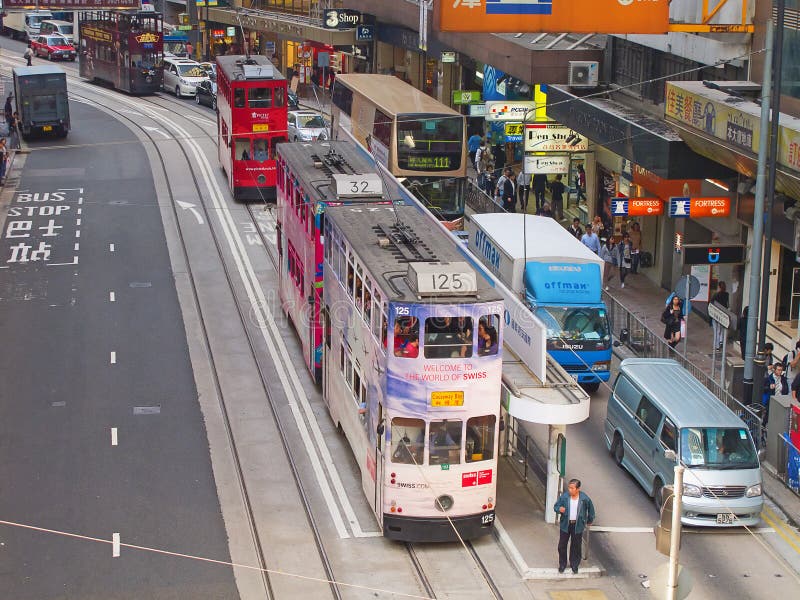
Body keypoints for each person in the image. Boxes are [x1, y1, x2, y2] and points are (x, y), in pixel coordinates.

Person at [554, 479, 595, 574]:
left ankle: (574, 564)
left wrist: (589, 520)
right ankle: (562, 564)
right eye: (569, 488)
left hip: (578, 525)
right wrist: (559, 509)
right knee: (562, 545)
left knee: (576, 545)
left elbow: (591, 511)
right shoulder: (564, 497)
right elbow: (556, 506)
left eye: (572, 488)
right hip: (565, 524)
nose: (570, 490)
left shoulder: (584, 499)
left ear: (578, 489)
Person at [763, 362, 788, 427]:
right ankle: (764, 426)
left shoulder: (783, 379)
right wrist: (769, 387)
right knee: (768, 415)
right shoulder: (769, 378)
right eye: (778, 370)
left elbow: (786, 389)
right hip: (771, 401)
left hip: (780, 401)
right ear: (774, 370)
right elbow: (763, 389)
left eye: (781, 370)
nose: (780, 372)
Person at [709, 281, 729, 350]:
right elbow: (727, 305)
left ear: (719, 287)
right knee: (721, 330)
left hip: (716, 314)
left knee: (716, 331)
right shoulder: (726, 294)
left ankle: (716, 346)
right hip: (723, 315)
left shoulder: (716, 295)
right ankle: (721, 341)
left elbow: (711, 304)